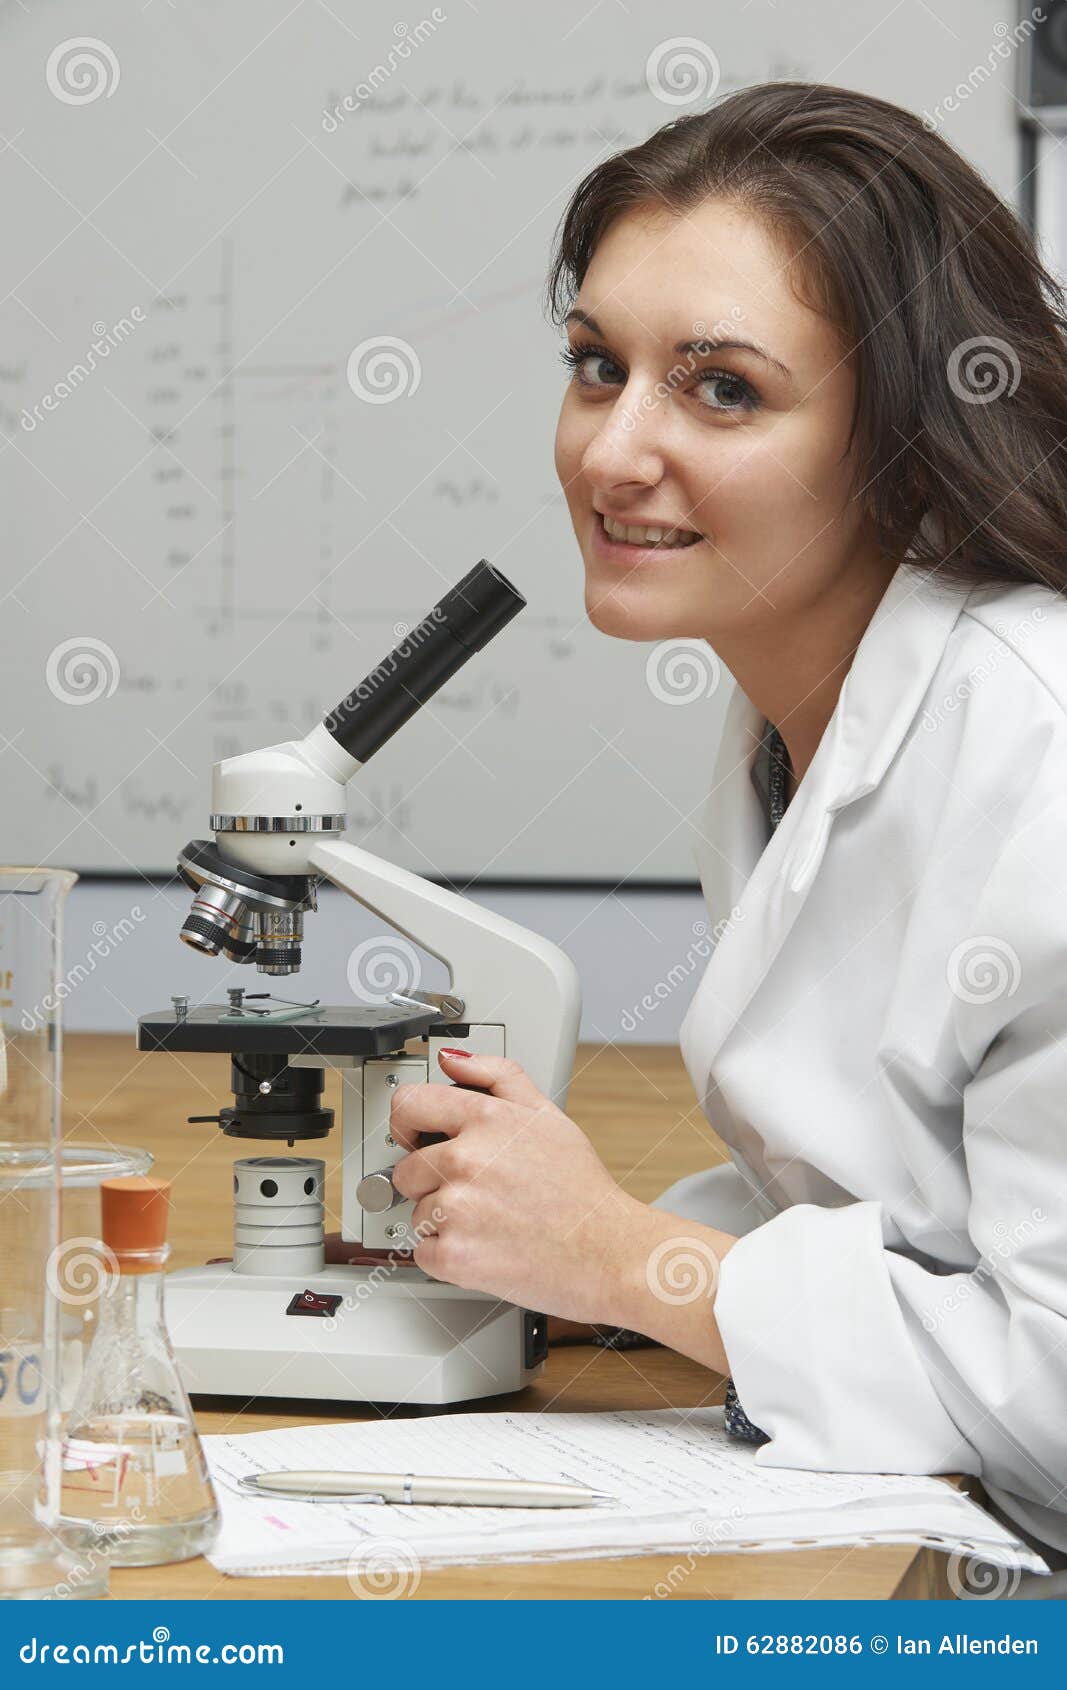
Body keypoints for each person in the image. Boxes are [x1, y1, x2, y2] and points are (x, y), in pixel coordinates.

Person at [388, 82, 1067, 1589]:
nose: (613, 453)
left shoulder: (1042, 755)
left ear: (905, 431)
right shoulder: (789, 709)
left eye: (723, 390)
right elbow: (907, 1204)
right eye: (595, 366)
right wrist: (584, 1248)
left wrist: (632, 1261)